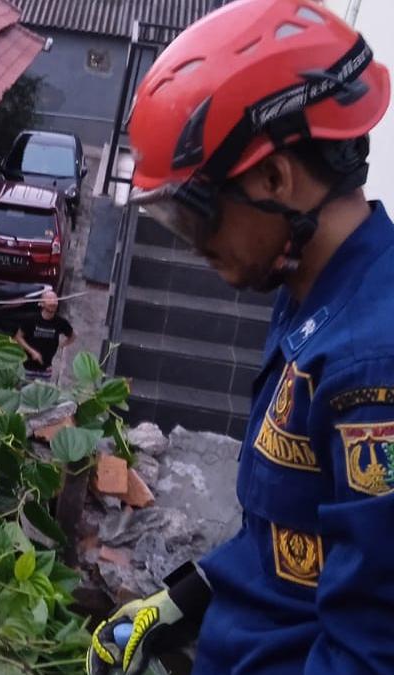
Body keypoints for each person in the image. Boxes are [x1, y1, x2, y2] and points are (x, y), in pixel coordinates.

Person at [86, 1, 394, 674]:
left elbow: (369, 651)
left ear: (275, 179)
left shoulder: (372, 368)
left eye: (197, 215)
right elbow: (290, 535)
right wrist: (187, 596)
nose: (194, 246)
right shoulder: (309, 295)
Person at [14, 290, 75, 378]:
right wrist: (32, 351)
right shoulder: (31, 319)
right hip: (26, 368)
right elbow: (18, 337)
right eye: (49, 299)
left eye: (55, 299)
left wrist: (61, 345)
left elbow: (73, 336)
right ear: (41, 303)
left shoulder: (61, 322)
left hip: (45, 370)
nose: (53, 302)